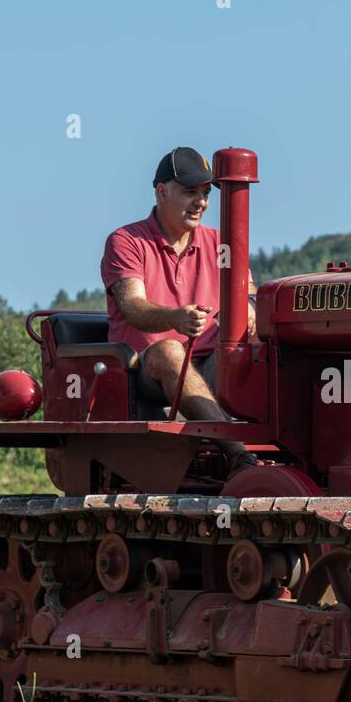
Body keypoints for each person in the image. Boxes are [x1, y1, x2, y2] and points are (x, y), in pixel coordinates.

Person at [100, 145, 256, 471]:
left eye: (205, 193)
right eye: (189, 192)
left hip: (214, 361)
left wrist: (251, 307)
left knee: (264, 343)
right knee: (169, 350)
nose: (200, 201)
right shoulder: (126, 241)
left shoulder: (220, 242)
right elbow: (133, 306)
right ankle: (240, 455)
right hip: (144, 370)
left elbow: (250, 293)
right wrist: (175, 317)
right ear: (161, 191)